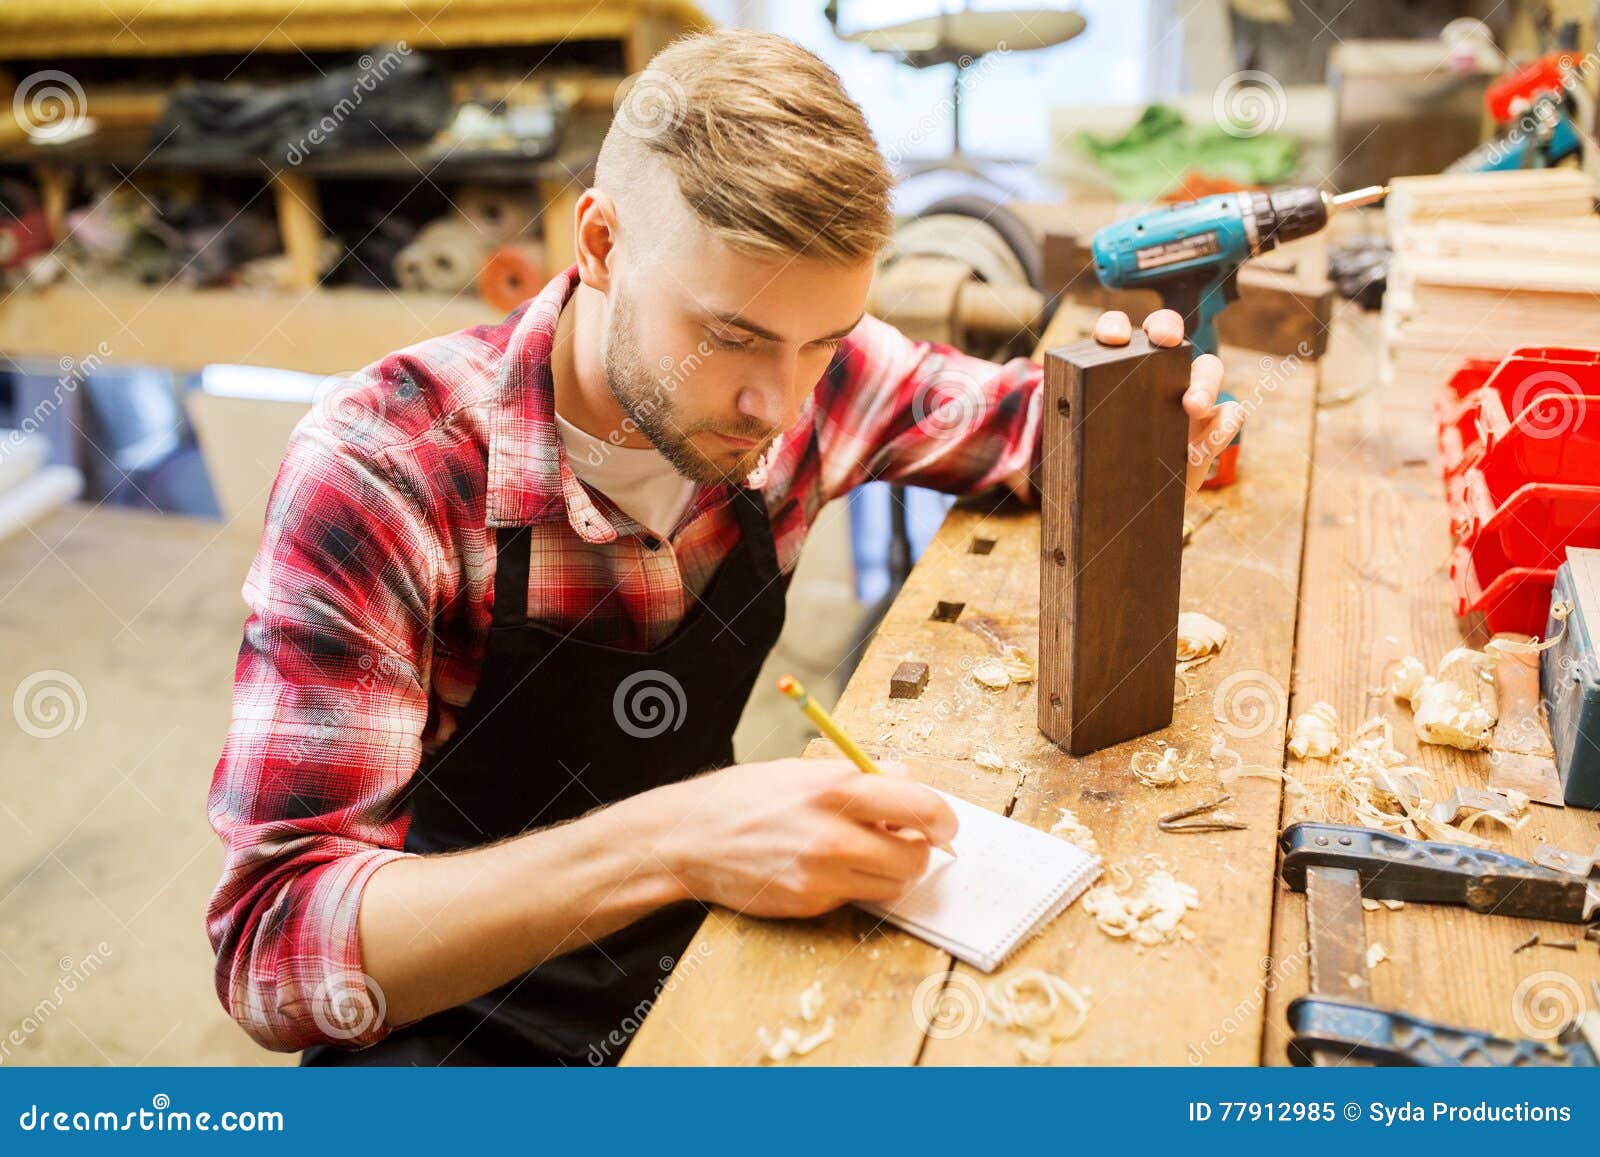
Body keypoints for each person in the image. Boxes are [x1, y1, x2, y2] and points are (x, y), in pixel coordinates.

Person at [206, 28, 1243, 1065]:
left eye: (825, 340)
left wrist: (1146, 423)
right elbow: (273, 950)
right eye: (733, 338)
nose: (781, 404)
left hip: (694, 923)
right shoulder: (384, 470)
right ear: (601, 246)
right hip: (443, 1003)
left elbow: (1021, 425)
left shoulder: (811, 377)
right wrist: (673, 841)